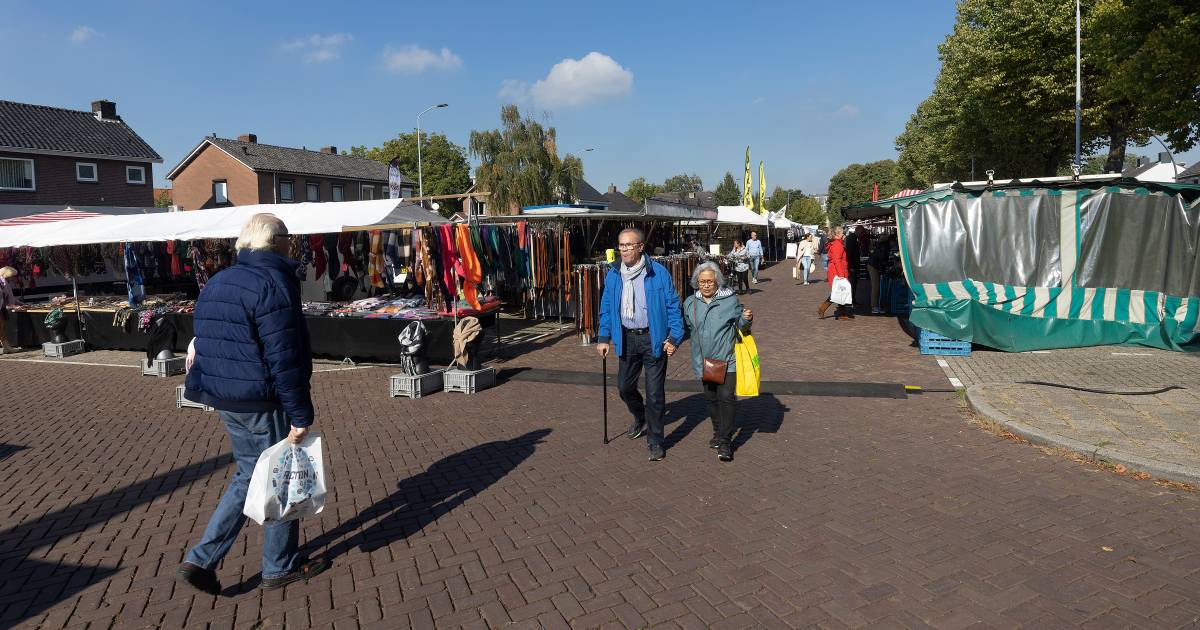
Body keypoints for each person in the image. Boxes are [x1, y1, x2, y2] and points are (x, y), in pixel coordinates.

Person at [178, 213, 329, 596]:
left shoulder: (218, 281)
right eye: (288, 237)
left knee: (248, 476)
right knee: (279, 478)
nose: (291, 244)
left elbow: (203, 343)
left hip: (229, 399)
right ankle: (279, 566)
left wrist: (203, 389)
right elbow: (285, 355)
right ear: (275, 240)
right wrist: (300, 414)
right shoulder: (274, 281)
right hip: (263, 399)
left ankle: (202, 559)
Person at [595, 228, 685, 462]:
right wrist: (604, 338)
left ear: (640, 247)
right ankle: (640, 415)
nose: (623, 249)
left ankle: (655, 441)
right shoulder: (614, 274)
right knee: (624, 387)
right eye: (621, 245)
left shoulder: (658, 273)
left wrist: (674, 337)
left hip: (653, 338)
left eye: (628, 245)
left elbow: (674, 307)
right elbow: (606, 308)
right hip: (626, 338)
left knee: (655, 395)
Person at [677, 262, 752, 462]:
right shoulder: (690, 303)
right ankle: (718, 431)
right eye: (702, 281)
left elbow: (741, 327)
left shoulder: (731, 300)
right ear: (696, 283)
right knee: (711, 399)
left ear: (717, 281)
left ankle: (725, 441)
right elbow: (686, 329)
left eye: (710, 281)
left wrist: (746, 319)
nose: (706, 285)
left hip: (727, 359)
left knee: (726, 397)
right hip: (703, 362)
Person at [818, 226, 853, 320]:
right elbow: (837, 260)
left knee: (840, 291)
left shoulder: (837, 243)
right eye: (842, 233)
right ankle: (823, 309)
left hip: (837, 270)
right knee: (838, 291)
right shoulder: (837, 244)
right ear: (838, 234)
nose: (843, 234)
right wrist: (841, 275)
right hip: (837, 271)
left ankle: (840, 313)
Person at [0, 266, 24, 354]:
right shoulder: (2, 282)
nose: (13, 278)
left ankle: (7, 347)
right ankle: (7, 348)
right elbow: (3, 298)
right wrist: (12, 305)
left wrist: (17, 302)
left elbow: (8, 298)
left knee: (1, 328)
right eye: (12, 276)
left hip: (1, 308)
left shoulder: (5, 283)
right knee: (1, 328)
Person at [868, 234, 890, 314]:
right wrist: (885, 266)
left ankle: (876, 305)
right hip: (874, 265)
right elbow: (881, 258)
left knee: (876, 286)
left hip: (874, 264)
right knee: (875, 286)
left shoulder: (881, 245)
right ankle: (874, 306)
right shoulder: (885, 246)